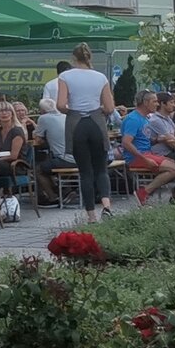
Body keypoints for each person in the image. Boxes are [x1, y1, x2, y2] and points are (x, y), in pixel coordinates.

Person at [58, 43, 118, 222]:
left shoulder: (65, 76)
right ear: (89, 57)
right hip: (96, 123)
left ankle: (91, 215)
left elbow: (60, 104)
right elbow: (109, 107)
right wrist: (97, 109)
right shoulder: (100, 77)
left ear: (73, 58)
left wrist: (71, 111)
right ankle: (106, 206)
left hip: (77, 124)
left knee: (85, 171)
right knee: (101, 169)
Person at [119, 92, 175, 205]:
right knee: (174, 169)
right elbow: (126, 143)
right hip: (138, 157)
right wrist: (144, 159)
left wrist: (157, 140)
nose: (157, 104)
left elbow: (142, 139)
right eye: (154, 101)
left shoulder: (144, 119)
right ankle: (144, 192)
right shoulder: (133, 119)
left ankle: (174, 196)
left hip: (147, 153)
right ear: (145, 102)